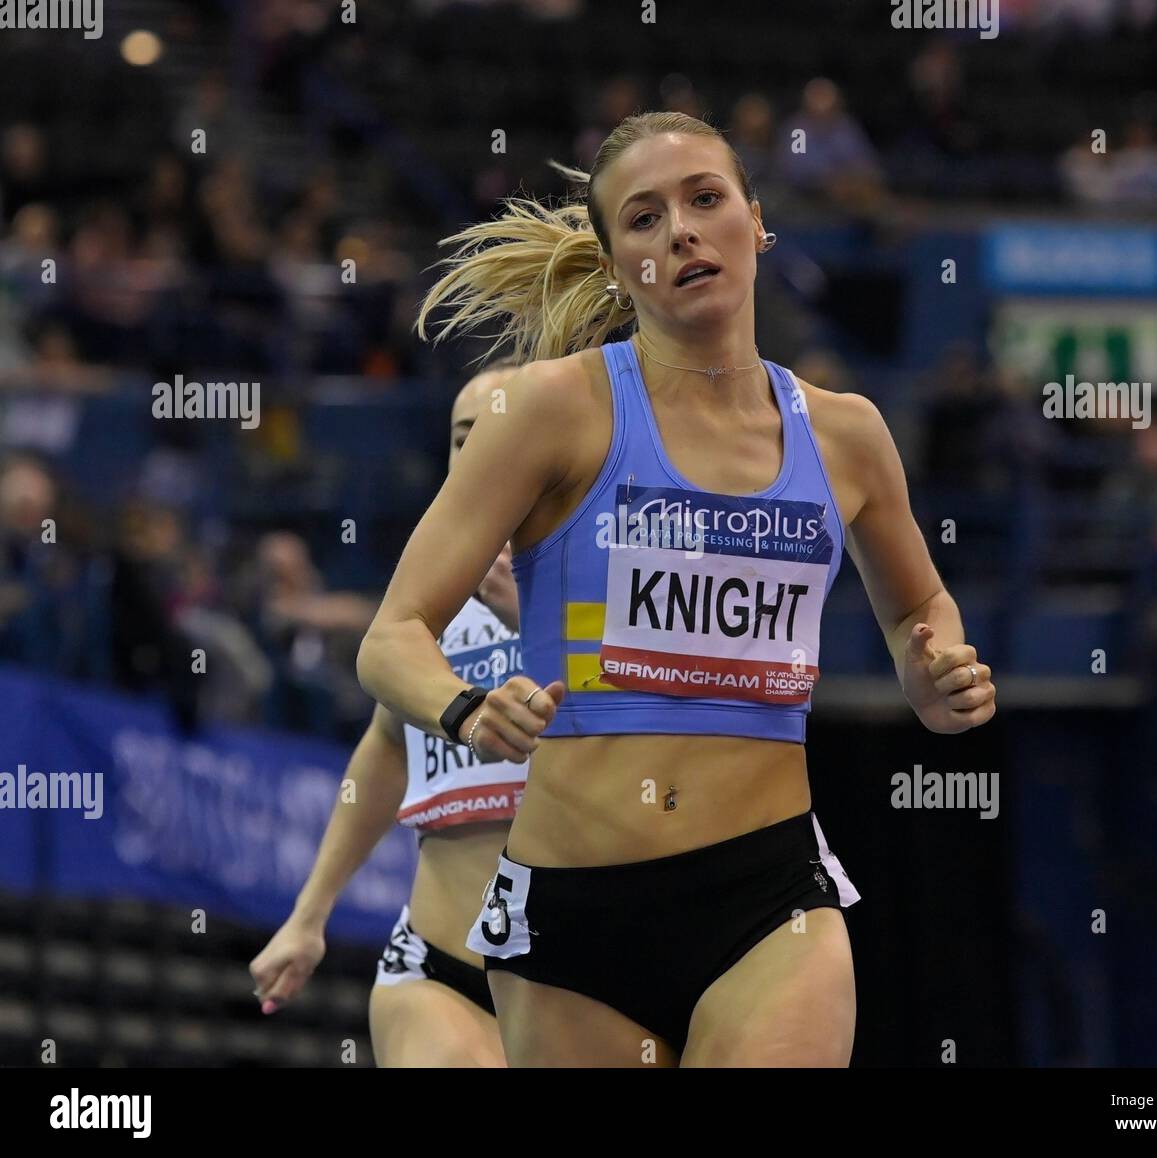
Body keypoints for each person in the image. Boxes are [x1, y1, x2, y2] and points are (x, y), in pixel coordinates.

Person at [357, 111, 996, 1067]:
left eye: (706, 199)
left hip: (768, 900)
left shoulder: (845, 433)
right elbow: (392, 634)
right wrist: (467, 707)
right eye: (645, 219)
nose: (683, 232)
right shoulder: (551, 412)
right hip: (572, 921)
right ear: (618, 266)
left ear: (757, 222)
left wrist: (929, 672)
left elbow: (918, 607)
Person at [249, 360, 527, 1066]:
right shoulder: (426, 603)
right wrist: (308, 918)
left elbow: (656, 736)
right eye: (463, 437)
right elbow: (385, 747)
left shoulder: (603, 581)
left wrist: (535, 622)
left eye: (500, 432)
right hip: (436, 970)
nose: (478, 454)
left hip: (584, 982)